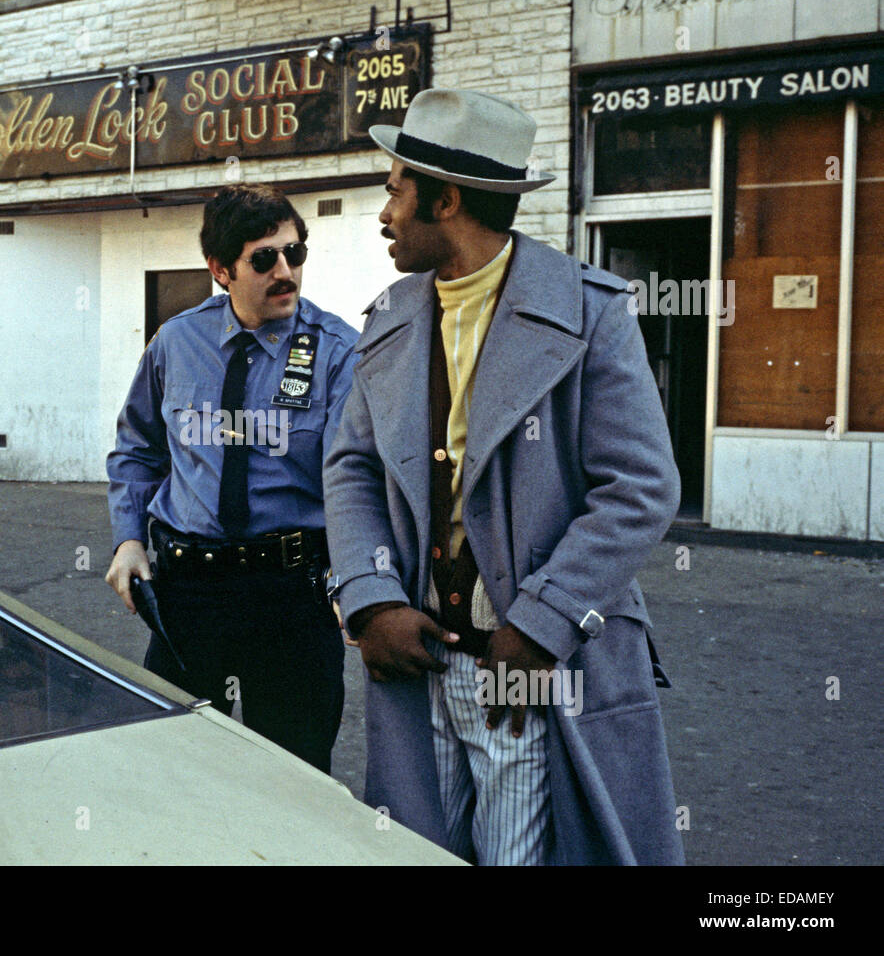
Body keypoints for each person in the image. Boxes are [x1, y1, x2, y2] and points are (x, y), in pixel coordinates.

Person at [323, 88, 684, 864]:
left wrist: (545, 621)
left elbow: (641, 488)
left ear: (445, 199)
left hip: (528, 667)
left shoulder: (590, 313)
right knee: (415, 851)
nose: (383, 213)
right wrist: (369, 597)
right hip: (414, 658)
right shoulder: (389, 315)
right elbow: (351, 468)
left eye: (394, 190)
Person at [105, 184, 359, 774]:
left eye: (295, 252)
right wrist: (127, 537)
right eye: (264, 258)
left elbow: (356, 481)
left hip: (290, 597)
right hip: (189, 595)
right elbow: (138, 449)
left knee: (294, 778)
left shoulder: (338, 352)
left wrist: (356, 577)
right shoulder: (176, 342)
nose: (286, 270)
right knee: (172, 769)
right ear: (221, 269)